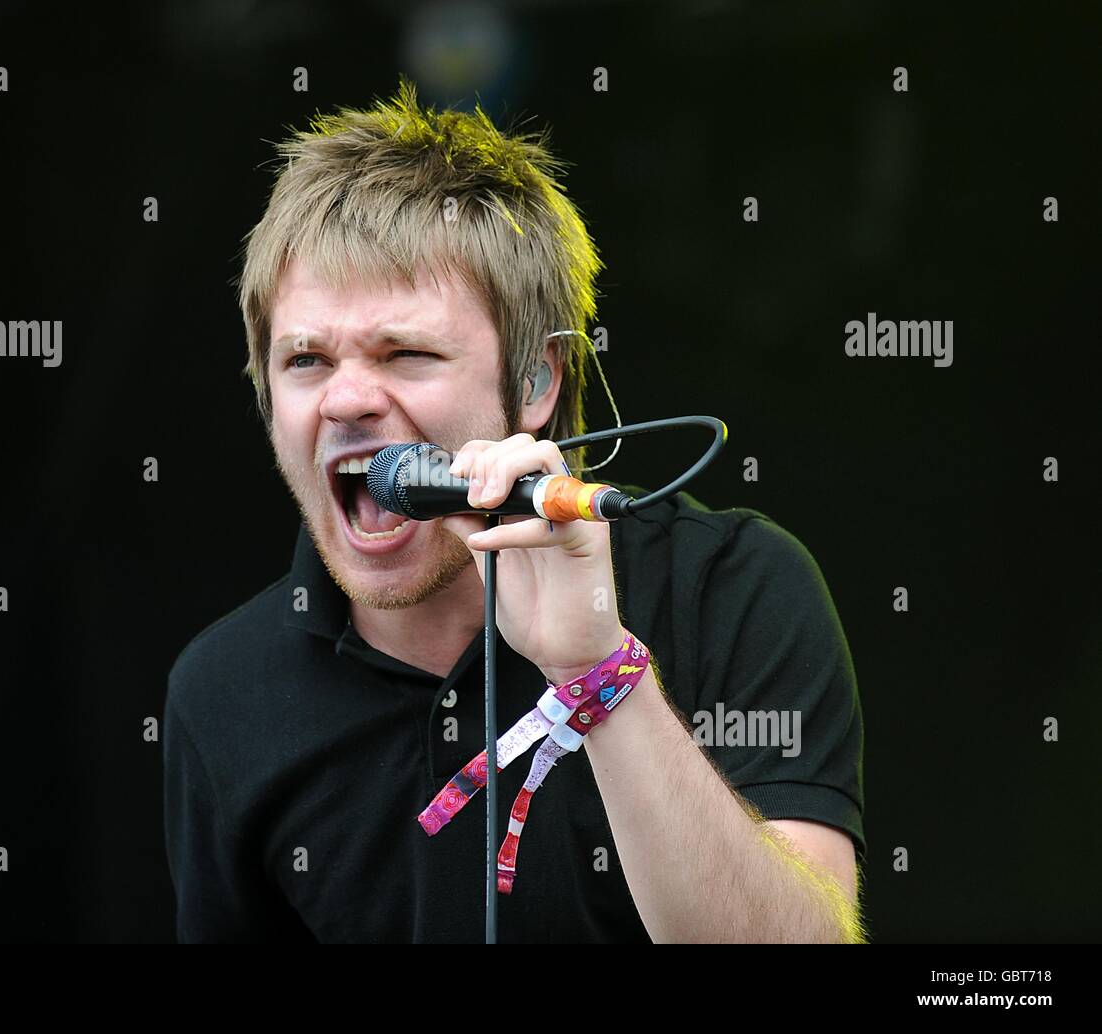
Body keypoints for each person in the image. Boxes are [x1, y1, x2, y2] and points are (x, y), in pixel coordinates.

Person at [163, 79, 866, 943]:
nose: (345, 398)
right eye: (305, 360)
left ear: (537, 381)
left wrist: (598, 672)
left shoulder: (729, 587)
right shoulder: (222, 690)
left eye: (407, 352)